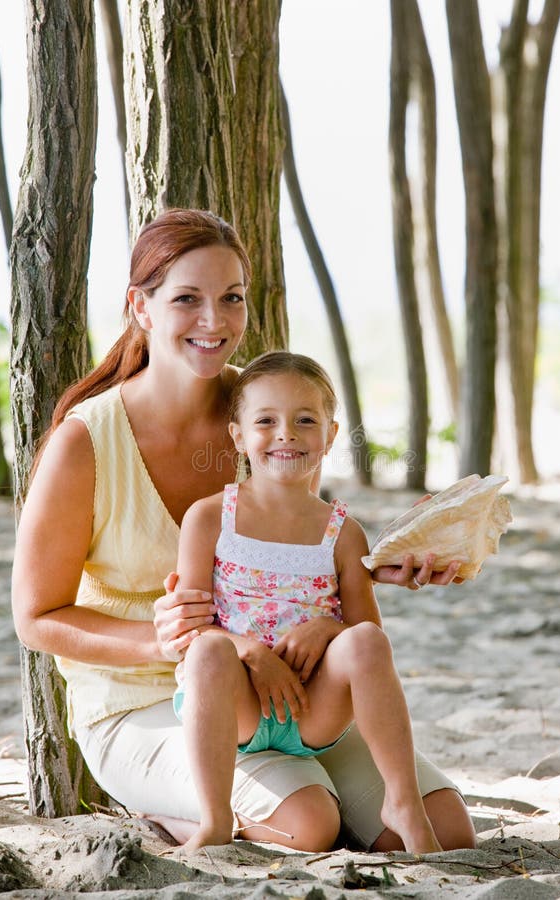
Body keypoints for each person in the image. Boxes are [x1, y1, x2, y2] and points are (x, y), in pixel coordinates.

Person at [11, 207, 476, 853]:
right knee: (309, 824)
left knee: (447, 830)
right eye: (187, 299)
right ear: (141, 307)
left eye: (231, 298)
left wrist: (378, 570)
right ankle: (176, 818)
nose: (215, 321)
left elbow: (302, 561)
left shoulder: (267, 411)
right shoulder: (85, 442)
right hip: (148, 704)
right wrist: (168, 642)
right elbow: (36, 619)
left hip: (288, 695)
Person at [173, 350, 445, 853]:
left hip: (312, 710)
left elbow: (367, 639)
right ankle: (214, 819)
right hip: (236, 707)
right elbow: (190, 630)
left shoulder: (343, 533)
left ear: (331, 434)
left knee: (364, 641)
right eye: (266, 421)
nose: (286, 435)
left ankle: (403, 802)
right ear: (238, 435)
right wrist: (252, 653)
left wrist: (328, 626)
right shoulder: (209, 518)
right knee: (208, 649)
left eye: (305, 421)